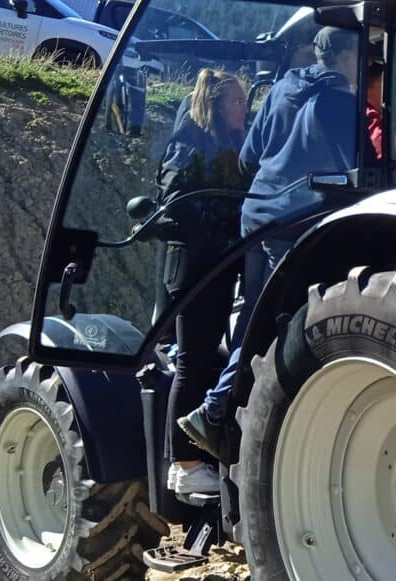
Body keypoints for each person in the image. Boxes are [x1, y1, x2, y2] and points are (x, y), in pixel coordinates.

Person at [178, 26, 360, 455]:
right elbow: (359, 165)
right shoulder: (339, 102)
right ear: (348, 56)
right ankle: (217, 410)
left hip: (256, 214)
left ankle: (228, 409)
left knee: (252, 315)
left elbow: (248, 158)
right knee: (272, 318)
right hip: (293, 220)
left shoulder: (281, 89)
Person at [154, 69, 248, 493]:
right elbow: (174, 205)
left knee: (208, 356)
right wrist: (223, 223)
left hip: (220, 263)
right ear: (214, 104)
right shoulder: (187, 144)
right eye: (236, 102)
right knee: (192, 360)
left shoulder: (230, 143)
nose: (243, 109)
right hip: (194, 266)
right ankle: (184, 464)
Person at [364, 60, 396, 165]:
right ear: (369, 88)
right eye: (386, 84)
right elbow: (392, 153)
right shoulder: (368, 115)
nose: (393, 91)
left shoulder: (376, 114)